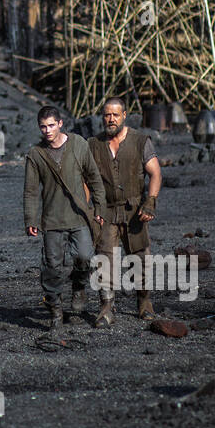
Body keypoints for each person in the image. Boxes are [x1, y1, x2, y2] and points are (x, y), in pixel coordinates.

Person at [24, 105, 106, 336]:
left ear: (60, 124)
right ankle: (56, 311)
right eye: (43, 126)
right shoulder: (36, 154)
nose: (47, 130)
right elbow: (30, 190)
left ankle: (79, 285)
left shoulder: (79, 144)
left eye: (51, 125)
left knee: (85, 256)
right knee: (52, 268)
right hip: (51, 221)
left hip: (78, 216)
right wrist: (30, 218)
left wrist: (99, 206)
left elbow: (94, 177)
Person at [87, 97, 162, 326]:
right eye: (107, 115)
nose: (110, 119)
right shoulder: (94, 144)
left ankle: (144, 302)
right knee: (103, 259)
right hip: (106, 211)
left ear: (124, 115)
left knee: (139, 256)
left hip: (134, 211)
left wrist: (150, 201)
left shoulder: (140, 141)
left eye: (115, 115)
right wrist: (86, 209)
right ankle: (106, 307)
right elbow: (87, 180)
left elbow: (156, 174)